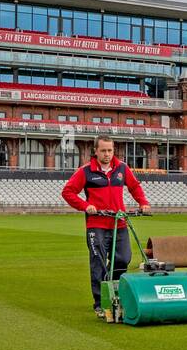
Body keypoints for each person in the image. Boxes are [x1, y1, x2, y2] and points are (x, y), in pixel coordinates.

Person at [62, 136, 151, 319]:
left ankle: (115, 296)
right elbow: (68, 192)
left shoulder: (122, 168)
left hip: (119, 223)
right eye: (103, 150)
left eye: (110, 150)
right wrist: (85, 206)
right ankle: (100, 303)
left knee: (123, 259)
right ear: (95, 151)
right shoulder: (86, 172)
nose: (107, 154)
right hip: (97, 225)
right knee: (99, 263)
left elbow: (134, 187)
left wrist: (143, 203)